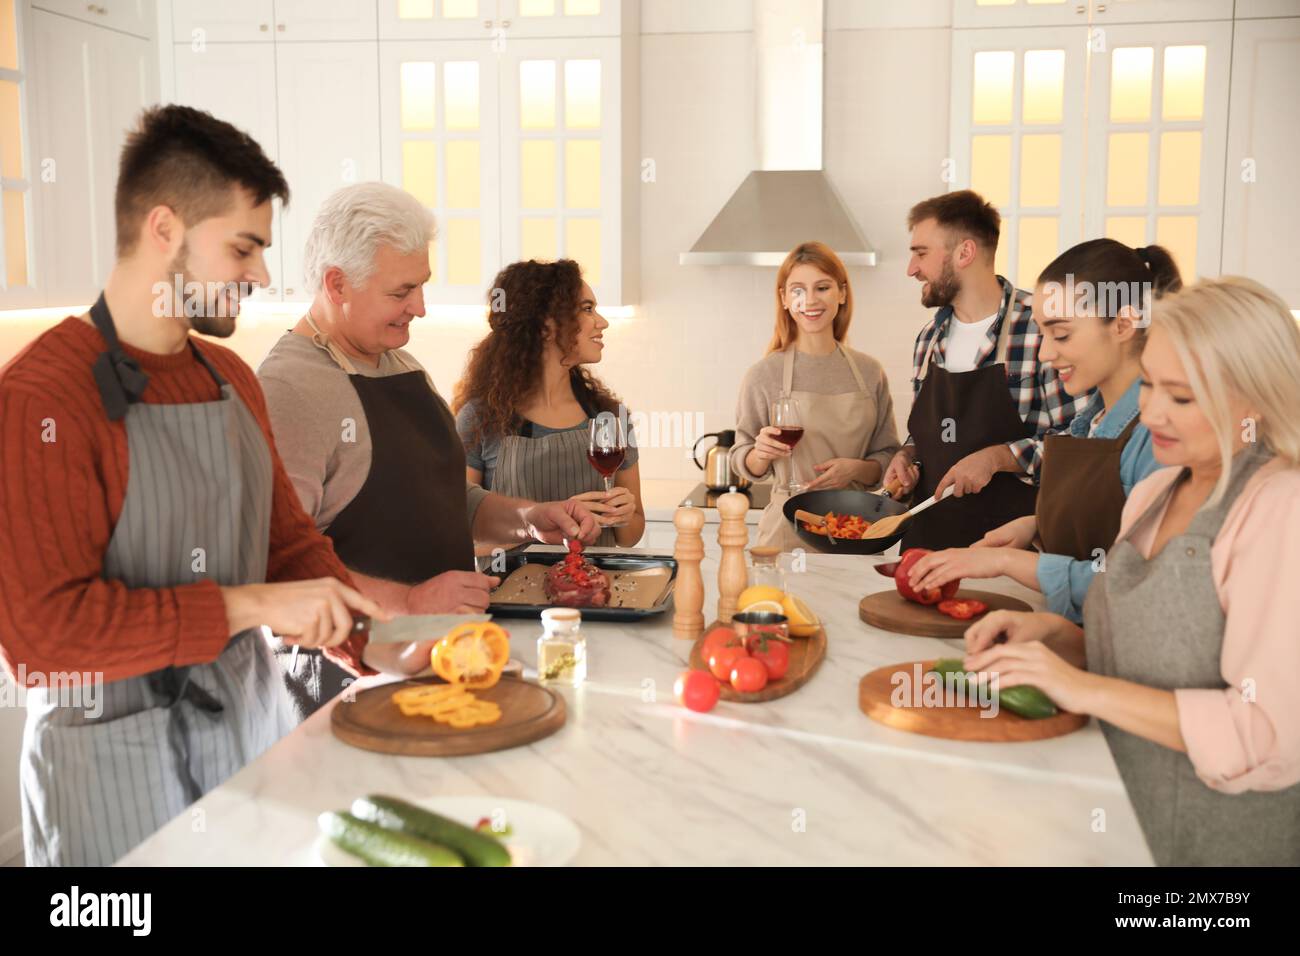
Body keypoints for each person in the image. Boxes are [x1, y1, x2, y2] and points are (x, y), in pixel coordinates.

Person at [0, 106, 435, 865]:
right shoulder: (44, 396)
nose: (263, 276)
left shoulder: (230, 380)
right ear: (164, 230)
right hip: (109, 779)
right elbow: (42, 640)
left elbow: (287, 543)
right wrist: (253, 606)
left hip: (249, 749)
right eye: (244, 248)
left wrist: (375, 641)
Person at [962, 277, 1300, 866]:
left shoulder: (1279, 508)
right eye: (1149, 385)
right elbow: (1153, 662)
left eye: (1183, 397)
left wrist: (1080, 687)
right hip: (1120, 827)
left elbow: (1266, 733)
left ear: (1257, 401)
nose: (1151, 412)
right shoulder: (1156, 492)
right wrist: (1061, 642)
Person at [258, 186, 599, 715]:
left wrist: (530, 519)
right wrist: (408, 604)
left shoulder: (398, 364)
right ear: (336, 283)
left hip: (436, 656)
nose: (419, 307)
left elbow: (445, 502)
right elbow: (276, 564)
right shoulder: (291, 390)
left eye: (421, 286)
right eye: (402, 292)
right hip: (346, 679)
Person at [905, 239, 1180, 621]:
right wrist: (1036, 525)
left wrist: (1004, 562)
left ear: (1123, 324)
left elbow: (1138, 583)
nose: (1046, 353)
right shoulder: (1092, 424)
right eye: (1043, 334)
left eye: (1062, 334)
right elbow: (1108, 520)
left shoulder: (1159, 436)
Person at [883, 191, 1086, 550]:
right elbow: (925, 436)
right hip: (926, 551)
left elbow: (1080, 446)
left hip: (1009, 555)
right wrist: (907, 457)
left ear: (964, 252)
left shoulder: (1040, 328)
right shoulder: (928, 338)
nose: (911, 269)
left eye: (921, 253)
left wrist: (999, 458)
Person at [452, 258, 644, 548]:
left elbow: (630, 537)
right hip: (508, 591)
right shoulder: (480, 418)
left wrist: (625, 514)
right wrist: (540, 522)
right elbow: (458, 536)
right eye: (587, 309)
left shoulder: (611, 416)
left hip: (596, 587)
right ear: (545, 325)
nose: (602, 322)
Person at [728, 241, 901, 550]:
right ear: (783, 298)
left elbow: (888, 456)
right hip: (787, 530)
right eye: (797, 290)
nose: (809, 300)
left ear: (842, 293)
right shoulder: (763, 375)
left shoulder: (869, 371)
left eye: (822, 287)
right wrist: (760, 453)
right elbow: (743, 461)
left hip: (856, 529)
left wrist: (855, 469)